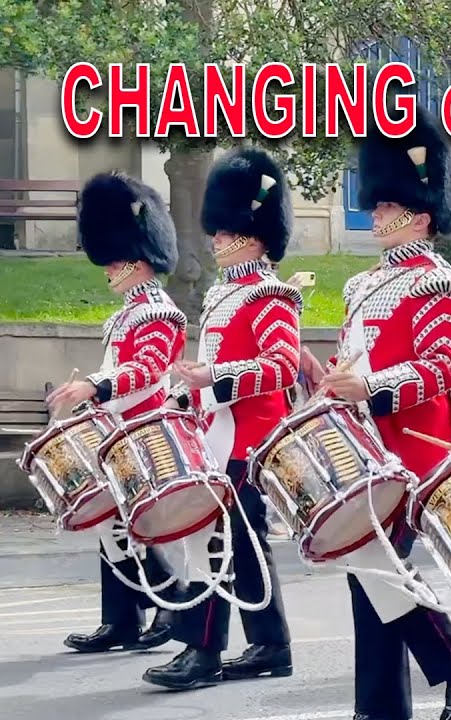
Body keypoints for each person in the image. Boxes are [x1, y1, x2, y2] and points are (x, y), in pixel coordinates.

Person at [301, 94, 451, 720]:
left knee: (380, 568)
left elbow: (441, 369)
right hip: (366, 446)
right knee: (370, 576)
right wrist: (337, 378)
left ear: (421, 215)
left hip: (414, 448)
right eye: (379, 202)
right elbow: (361, 356)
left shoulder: (439, 281)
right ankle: (381, 704)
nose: (377, 210)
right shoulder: (362, 284)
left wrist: (372, 386)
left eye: (388, 204)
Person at [142, 147, 298, 690]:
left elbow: (279, 367)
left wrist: (215, 378)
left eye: (224, 231)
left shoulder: (271, 295)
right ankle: (270, 644)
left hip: (249, 440)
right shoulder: (224, 294)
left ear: (250, 235)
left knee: (217, 542)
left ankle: (202, 650)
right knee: (244, 545)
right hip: (220, 434)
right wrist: (193, 389)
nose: (214, 239)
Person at [49, 171, 185, 655]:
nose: (107, 269)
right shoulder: (127, 312)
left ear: (138, 260)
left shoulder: (159, 311)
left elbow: (147, 371)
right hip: (116, 430)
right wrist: (89, 392)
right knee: (112, 528)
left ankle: (174, 598)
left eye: (115, 260)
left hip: (143, 434)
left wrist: (95, 385)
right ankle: (122, 619)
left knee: (131, 525)